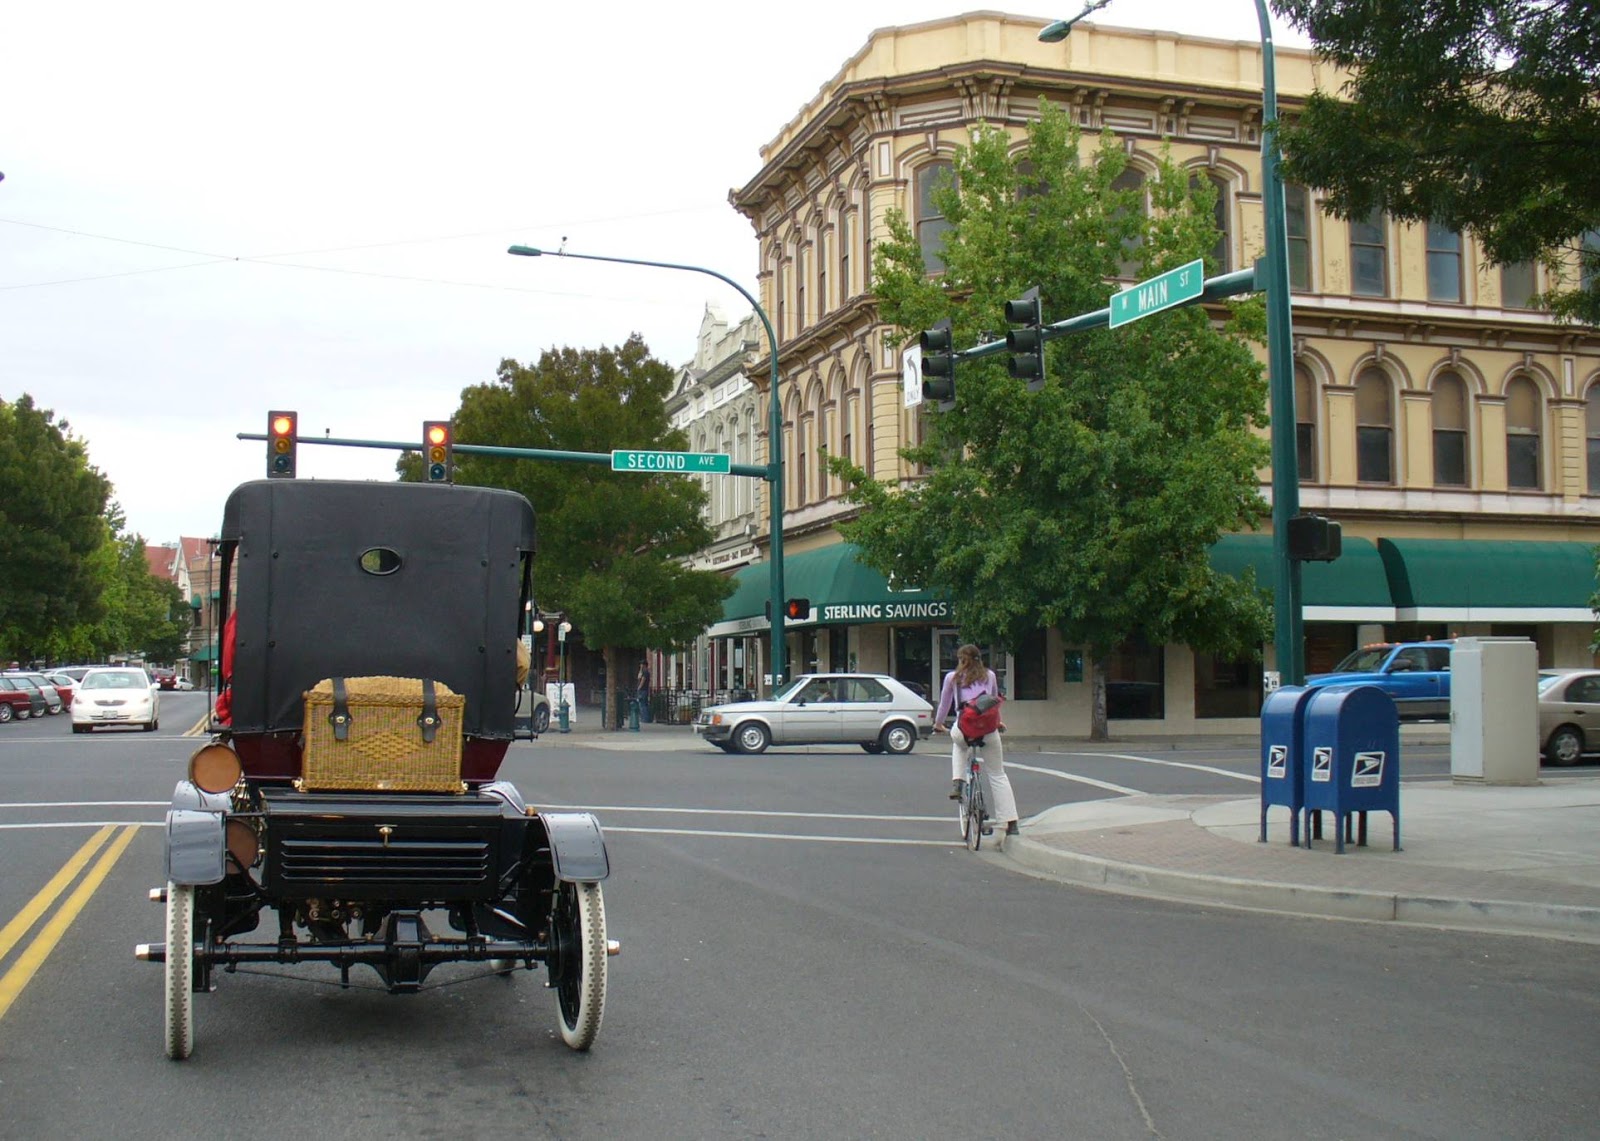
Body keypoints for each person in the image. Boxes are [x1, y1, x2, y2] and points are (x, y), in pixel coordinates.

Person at [933, 643, 1019, 837]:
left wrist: (938, 724)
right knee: (998, 775)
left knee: (958, 744)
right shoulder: (990, 676)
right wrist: (998, 723)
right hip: (987, 729)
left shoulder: (952, 678)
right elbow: (993, 703)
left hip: (964, 728)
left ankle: (958, 782)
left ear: (961, 659)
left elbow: (945, 704)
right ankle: (1012, 823)